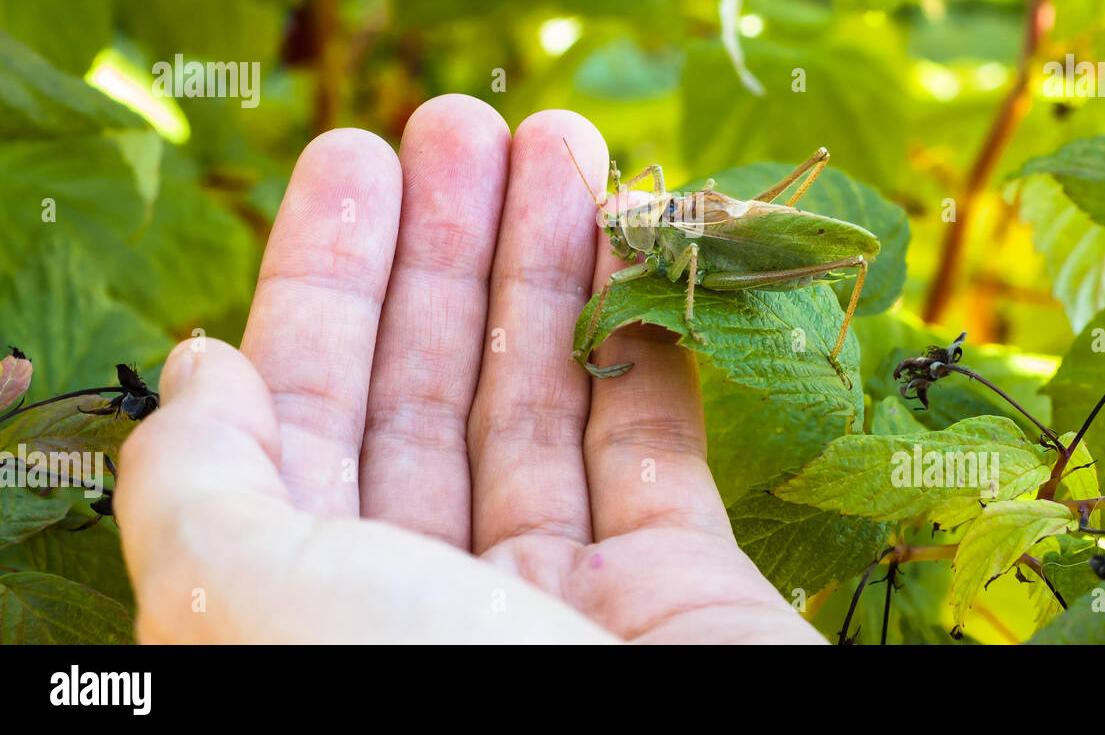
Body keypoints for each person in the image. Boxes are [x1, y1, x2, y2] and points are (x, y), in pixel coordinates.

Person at [117, 95, 824, 644]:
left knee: (754, 248)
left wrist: (691, 314)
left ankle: (825, 331)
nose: (612, 237)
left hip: (745, 254)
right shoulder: (647, 212)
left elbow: (687, 251)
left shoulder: (679, 232)